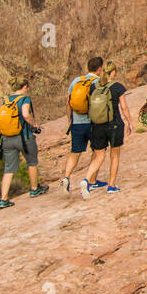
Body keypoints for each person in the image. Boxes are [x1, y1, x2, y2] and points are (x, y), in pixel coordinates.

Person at [0, 75, 48, 208]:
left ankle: (3, 199)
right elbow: (25, 114)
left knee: (9, 169)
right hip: (23, 137)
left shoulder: (7, 100)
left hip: (7, 139)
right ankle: (34, 189)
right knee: (32, 162)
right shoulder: (24, 99)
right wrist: (34, 125)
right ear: (25, 87)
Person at [83, 60, 133, 194]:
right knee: (114, 155)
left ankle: (86, 180)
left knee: (99, 155)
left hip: (97, 125)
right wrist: (130, 122)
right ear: (113, 72)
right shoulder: (117, 87)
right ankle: (111, 186)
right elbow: (124, 107)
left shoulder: (94, 87)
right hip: (114, 124)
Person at [61, 56, 105, 195]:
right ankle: (91, 181)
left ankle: (66, 177)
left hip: (77, 123)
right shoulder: (98, 81)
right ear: (99, 69)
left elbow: (68, 102)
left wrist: (70, 120)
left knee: (75, 152)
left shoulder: (77, 81)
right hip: (93, 123)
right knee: (98, 150)